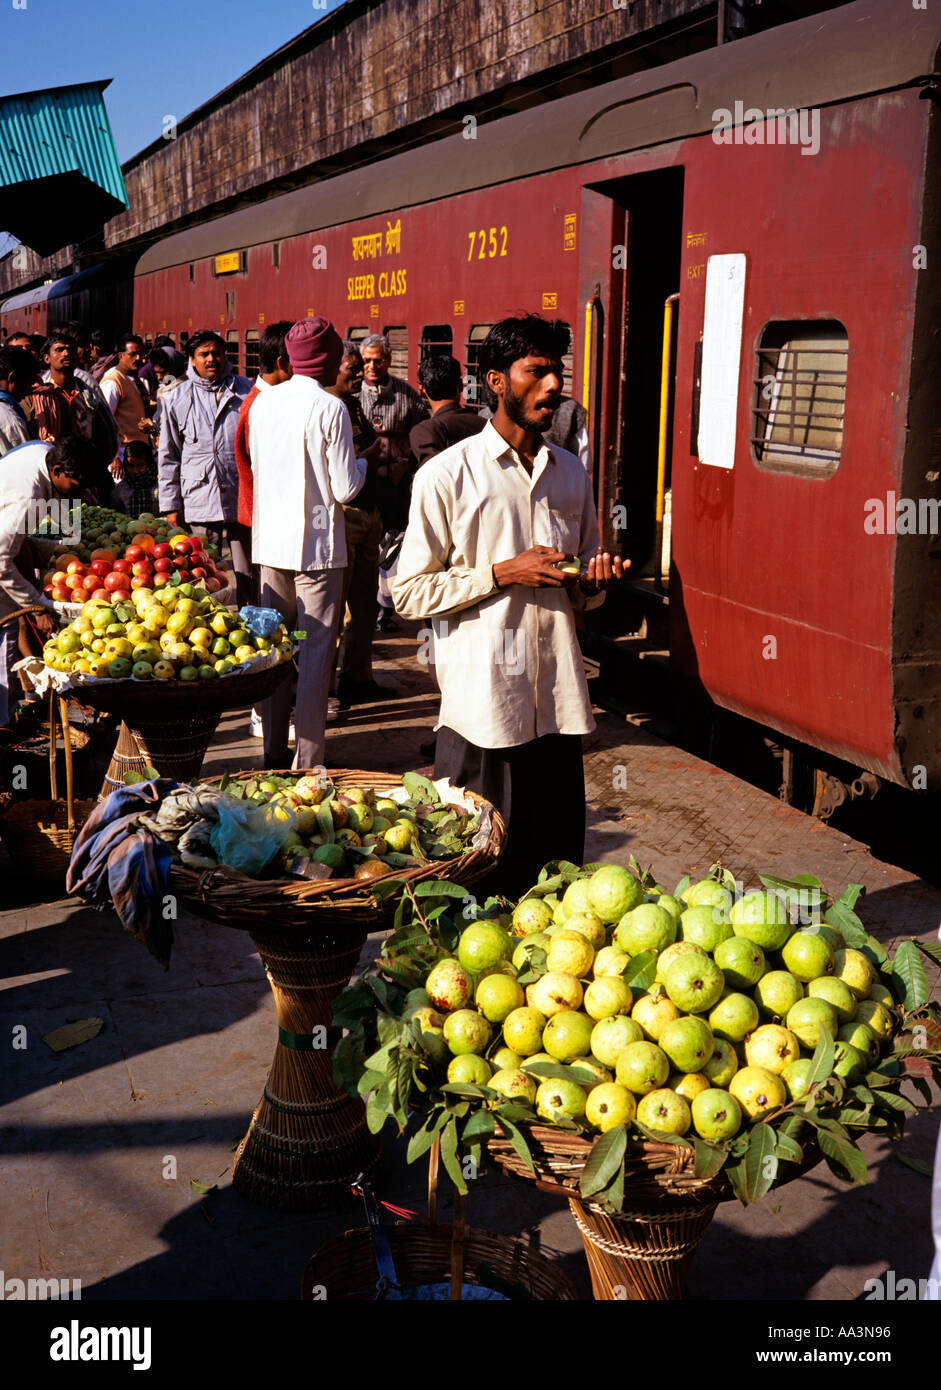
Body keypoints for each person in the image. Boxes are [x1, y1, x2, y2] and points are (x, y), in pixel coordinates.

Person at [390, 315, 626, 896]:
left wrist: (593, 580)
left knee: (553, 884)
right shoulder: (448, 475)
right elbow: (408, 593)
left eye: (557, 372)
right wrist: (501, 573)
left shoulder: (570, 472)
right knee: (474, 884)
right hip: (483, 715)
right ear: (497, 381)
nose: (552, 386)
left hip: (556, 711)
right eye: (536, 372)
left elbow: (582, 585)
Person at [248, 317, 365, 769]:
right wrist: (366, 469)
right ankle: (309, 762)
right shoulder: (330, 407)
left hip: (270, 545)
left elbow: (259, 470)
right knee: (316, 655)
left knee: (275, 650)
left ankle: (272, 752)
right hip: (317, 550)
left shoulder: (263, 404)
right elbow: (344, 489)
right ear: (331, 358)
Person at [0, 435, 94, 726]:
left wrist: (55, 552)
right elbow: (2, 562)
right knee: (4, 641)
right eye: (75, 486)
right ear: (57, 472)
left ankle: (7, 715)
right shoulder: (29, 496)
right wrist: (38, 607)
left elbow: (20, 541)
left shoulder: (45, 453)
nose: (75, 494)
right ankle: (4, 726)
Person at [157, 329, 253, 603]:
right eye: (204, 354)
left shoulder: (246, 392)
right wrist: (171, 506)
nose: (212, 359)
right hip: (199, 497)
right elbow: (169, 456)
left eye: (217, 353)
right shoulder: (177, 397)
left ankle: (252, 625)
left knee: (249, 571)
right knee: (201, 573)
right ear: (192, 359)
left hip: (241, 496)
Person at [327, 342, 392, 705]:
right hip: (345, 514)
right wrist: (367, 455)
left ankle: (358, 676)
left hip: (369, 513)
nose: (358, 374)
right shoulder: (327, 407)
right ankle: (329, 684)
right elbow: (340, 462)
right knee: (336, 605)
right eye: (351, 368)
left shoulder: (351, 404)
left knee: (365, 603)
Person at [25, 332, 116, 501]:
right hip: (53, 476)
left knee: (85, 521)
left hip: (85, 474)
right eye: (59, 350)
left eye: (70, 350)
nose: (66, 354)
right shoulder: (39, 397)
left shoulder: (88, 393)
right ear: (46, 358)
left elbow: (106, 431)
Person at [358, 333, 428, 531]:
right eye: (367, 361)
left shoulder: (407, 395)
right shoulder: (354, 394)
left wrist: (407, 465)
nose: (372, 366)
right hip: (362, 481)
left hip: (397, 483)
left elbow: (422, 432)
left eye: (377, 361)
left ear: (388, 360)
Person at [409, 354, 485, 465]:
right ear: (460, 385)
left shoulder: (423, 432)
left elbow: (434, 476)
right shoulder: (484, 424)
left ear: (422, 390)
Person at [99, 335, 152, 471]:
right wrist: (114, 456)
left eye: (140, 354)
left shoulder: (136, 379)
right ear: (121, 356)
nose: (138, 358)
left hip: (139, 451)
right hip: (122, 455)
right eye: (132, 354)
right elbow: (105, 422)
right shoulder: (113, 381)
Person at [0, 346, 39, 456]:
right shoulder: (10, 421)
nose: (30, 388)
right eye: (28, 382)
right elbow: (24, 460)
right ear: (12, 378)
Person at [111, 440, 158, 518]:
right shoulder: (121, 489)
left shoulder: (159, 486)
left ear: (149, 464)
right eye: (131, 465)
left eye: (140, 465)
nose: (135, 470)